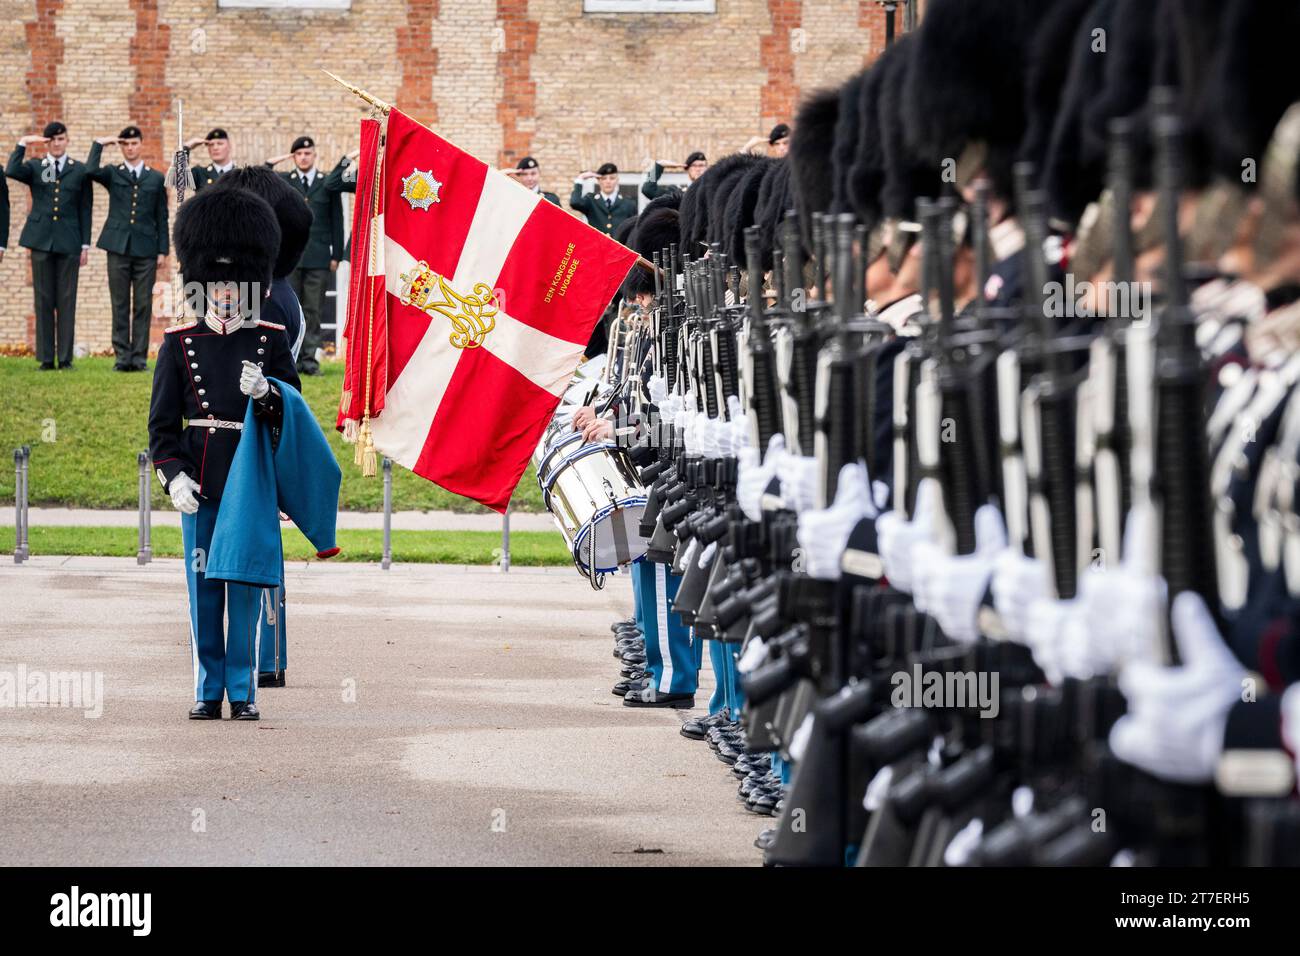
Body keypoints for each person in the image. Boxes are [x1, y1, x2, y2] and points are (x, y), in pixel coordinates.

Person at [150, 186, 299, 721]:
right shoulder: (179, 341)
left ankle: (243, 692)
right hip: (203, 480)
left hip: (251, 481)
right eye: (216, 283)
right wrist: (174, 479)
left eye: (237, 283)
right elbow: (162, 428)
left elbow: (295, 419)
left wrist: (270, 394)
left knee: (244, 589)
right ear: (202, 284)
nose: (227, 292)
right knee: (203, 589)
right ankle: (207, 688)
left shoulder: (271, 338)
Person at [207, 164, 313, 688]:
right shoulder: (271, 291)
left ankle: (260, 656)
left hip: (250, 431)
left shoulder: (267, 300)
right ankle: (265, 654)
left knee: (252, 547)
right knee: (253, 545)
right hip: (251, 428)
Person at [5, 121, 92, 370]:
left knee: (66, 300)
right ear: (46, 142)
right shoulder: (37, 166)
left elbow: (84, 209)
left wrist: (84, 245)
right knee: (43, 299)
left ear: (67, 140)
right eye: (51, 139)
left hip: (69, 241)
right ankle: (45, 358)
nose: (56, 143)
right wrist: (23, 144)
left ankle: (64, 358)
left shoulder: (79, 170)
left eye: (61, 139)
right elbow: (11, 170)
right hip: (41, 240)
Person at [87, 126, 168, 372]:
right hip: (117, 247)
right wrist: (101, 143)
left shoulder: (155, 178)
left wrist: (162, 250)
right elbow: (90, 170)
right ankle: (122, 357)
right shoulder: (113, 173)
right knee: (119, 303)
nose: (130, 148)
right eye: (125, 144)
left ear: (141, 145)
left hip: (146, 249)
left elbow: (161, 216)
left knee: (143, 304)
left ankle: (139, 358)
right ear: (121, 147)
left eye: (134, 143)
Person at [266, 136, 343, 376]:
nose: (303, 158)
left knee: (313, 310)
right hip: (290, 257)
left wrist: (337, 254)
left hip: (319, 257)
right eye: (298, 154)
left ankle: (309, 360)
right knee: (289, 309)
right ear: (293, 157)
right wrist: (276, 161)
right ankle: (289, 358)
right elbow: (264, 173)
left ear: (314, 155)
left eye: (307, 153)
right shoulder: (284, 181)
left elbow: (337, 219)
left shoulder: (326, 182)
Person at [569, 162, 636, 235]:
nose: (608, 181)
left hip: (618, 245)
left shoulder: (628, 203)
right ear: (599, 181)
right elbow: (575, 202)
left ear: (617, 180)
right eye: (604, 178)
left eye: (612, 178)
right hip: (596, 245)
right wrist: (580, 179)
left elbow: (633, 229)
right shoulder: (591, 200)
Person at [641, 151, 708, 201]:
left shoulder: (714, 191)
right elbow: (647, 189)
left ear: (707, 168)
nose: (698, 169)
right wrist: (658, 166)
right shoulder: (678, 194)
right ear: (688, 169)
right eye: (694, 166)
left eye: (701, 165)